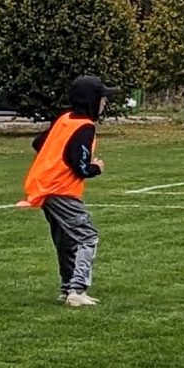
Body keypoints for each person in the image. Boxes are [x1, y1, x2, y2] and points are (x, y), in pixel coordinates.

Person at [25, 76, 111, 308]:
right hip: (62, 190)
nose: (104, 103)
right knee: (87, 236)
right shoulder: (85, 127)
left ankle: (67, 288)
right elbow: (80, 166)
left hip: (46, 189)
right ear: (91, 100)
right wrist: (95, 167)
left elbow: (39, 142)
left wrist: (53, 160)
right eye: (102, 98)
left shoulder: (64, 119)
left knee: (65, 240)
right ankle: (77, 289)